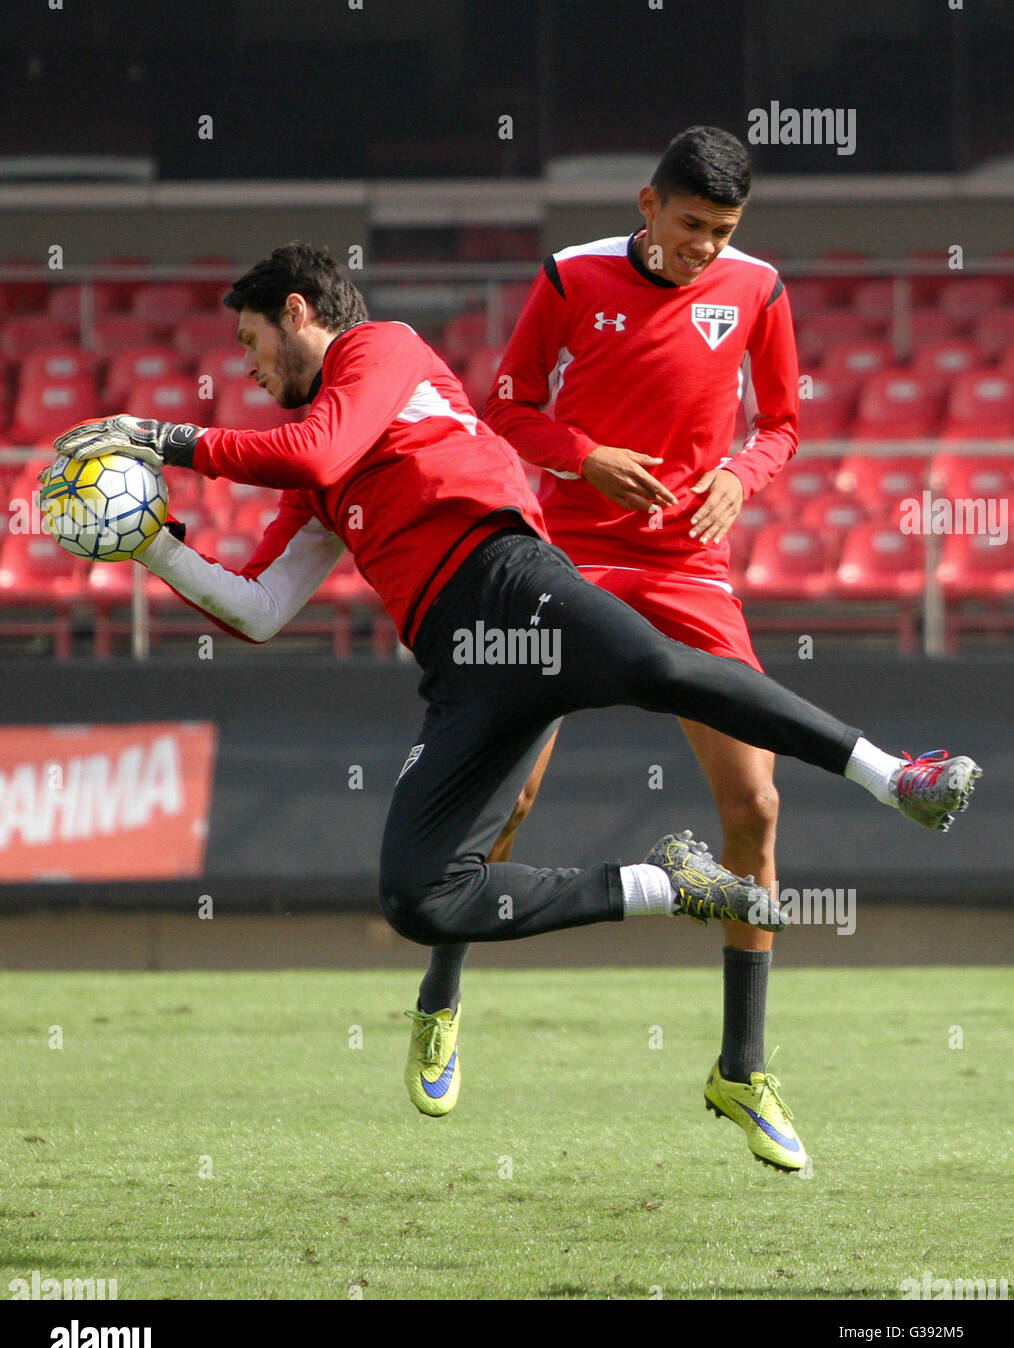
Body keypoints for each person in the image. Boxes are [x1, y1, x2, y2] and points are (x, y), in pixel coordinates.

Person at [50, 243, 980, 1171]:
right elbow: (257, 608)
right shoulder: (319, 480)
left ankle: (895, 774)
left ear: (300, 312)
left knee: (666, 668)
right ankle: (668, 885)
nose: (247, 367)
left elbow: (317, 446)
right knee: (420, 897)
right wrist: (153, 550)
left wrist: (159, 435)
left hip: (512, 586)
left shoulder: (382, 349)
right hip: (465, 674)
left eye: (251, 340)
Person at [428, 123, 810, 1169]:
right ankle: (443, 995)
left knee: (758, 806)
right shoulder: (570, 277)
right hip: (568, 562)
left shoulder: (760, 288)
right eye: (689, 227)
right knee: (510, 801)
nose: (703, 249)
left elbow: (779, 423)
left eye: (722, 232)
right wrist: (586, 457)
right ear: (648, 206)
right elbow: (502, 408)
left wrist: (744, 475)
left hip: (688, 570)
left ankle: (741, 1068)